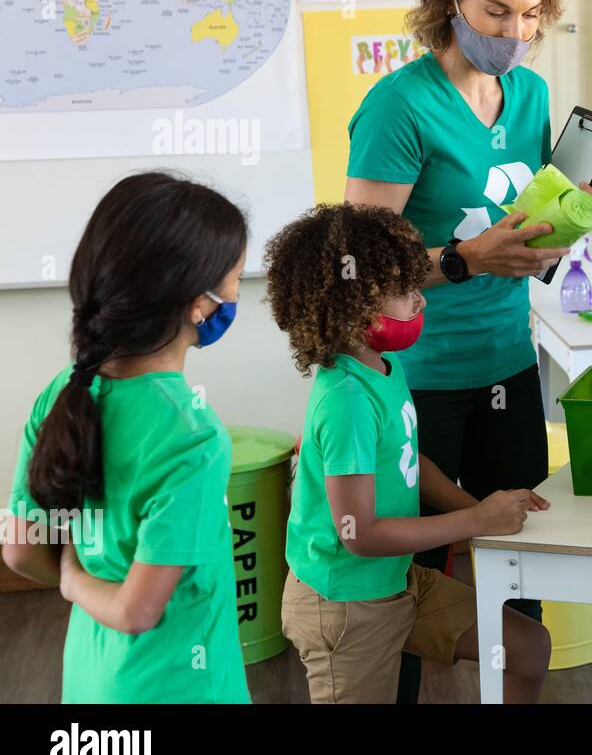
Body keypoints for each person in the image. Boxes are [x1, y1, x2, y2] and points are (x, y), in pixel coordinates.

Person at [343, 0, 592, 698]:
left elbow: (529, 226)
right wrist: (465, 260)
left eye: (531, 16)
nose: (515, 32)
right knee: (411, 575)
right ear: (450, 2)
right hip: (416, 375)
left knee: (515, 554)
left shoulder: (528, 94)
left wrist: (572, 218)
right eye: (496, 12)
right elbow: (357, 272)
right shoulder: (399, 108)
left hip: (507, 362)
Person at [264, 203, 552, 703]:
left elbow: (411, 463)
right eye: (403, 289)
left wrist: (489, 507)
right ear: (353, 305)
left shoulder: (384, 368)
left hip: (395, 581)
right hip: (346, 606)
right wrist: (476, 521)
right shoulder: (346, 401)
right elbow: (360, 534)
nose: (420, 298)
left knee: (526, 647)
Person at [3, 172, 251, 703]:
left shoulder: (63, 392)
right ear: (195, 301)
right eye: (234, 277)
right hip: (179, 687)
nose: (236, 292)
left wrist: (75, 571)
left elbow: (20, 551)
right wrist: (72, 579)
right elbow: (138, 612)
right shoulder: (193, 437)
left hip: (93, 680)